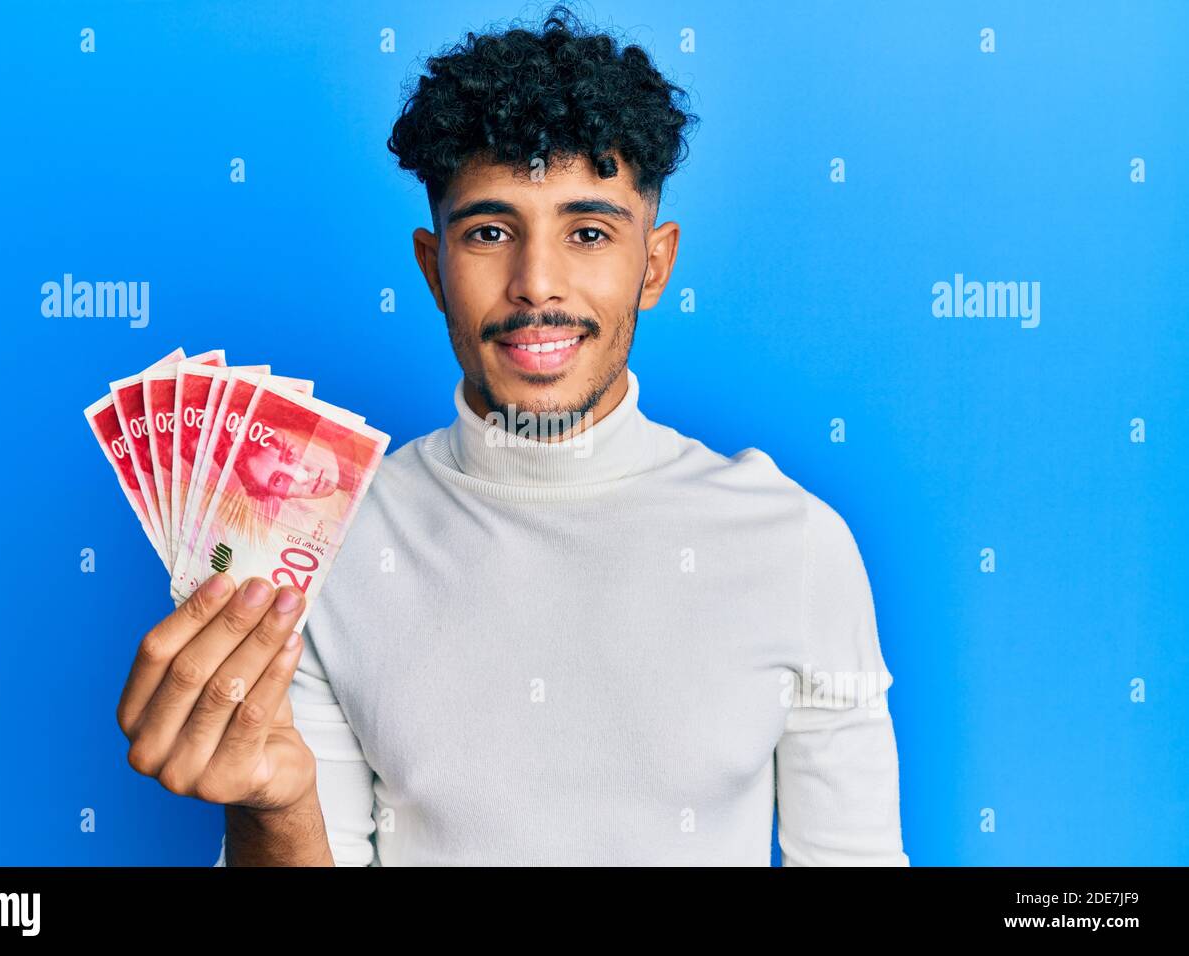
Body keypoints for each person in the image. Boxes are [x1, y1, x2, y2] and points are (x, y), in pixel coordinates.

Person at [116, 5, 910, 867]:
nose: (537, 285)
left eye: (589, 232)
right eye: (490, 232)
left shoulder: (795, 544)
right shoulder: (326, 543)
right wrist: (275, 808)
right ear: (432, 267)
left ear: (655, 263)